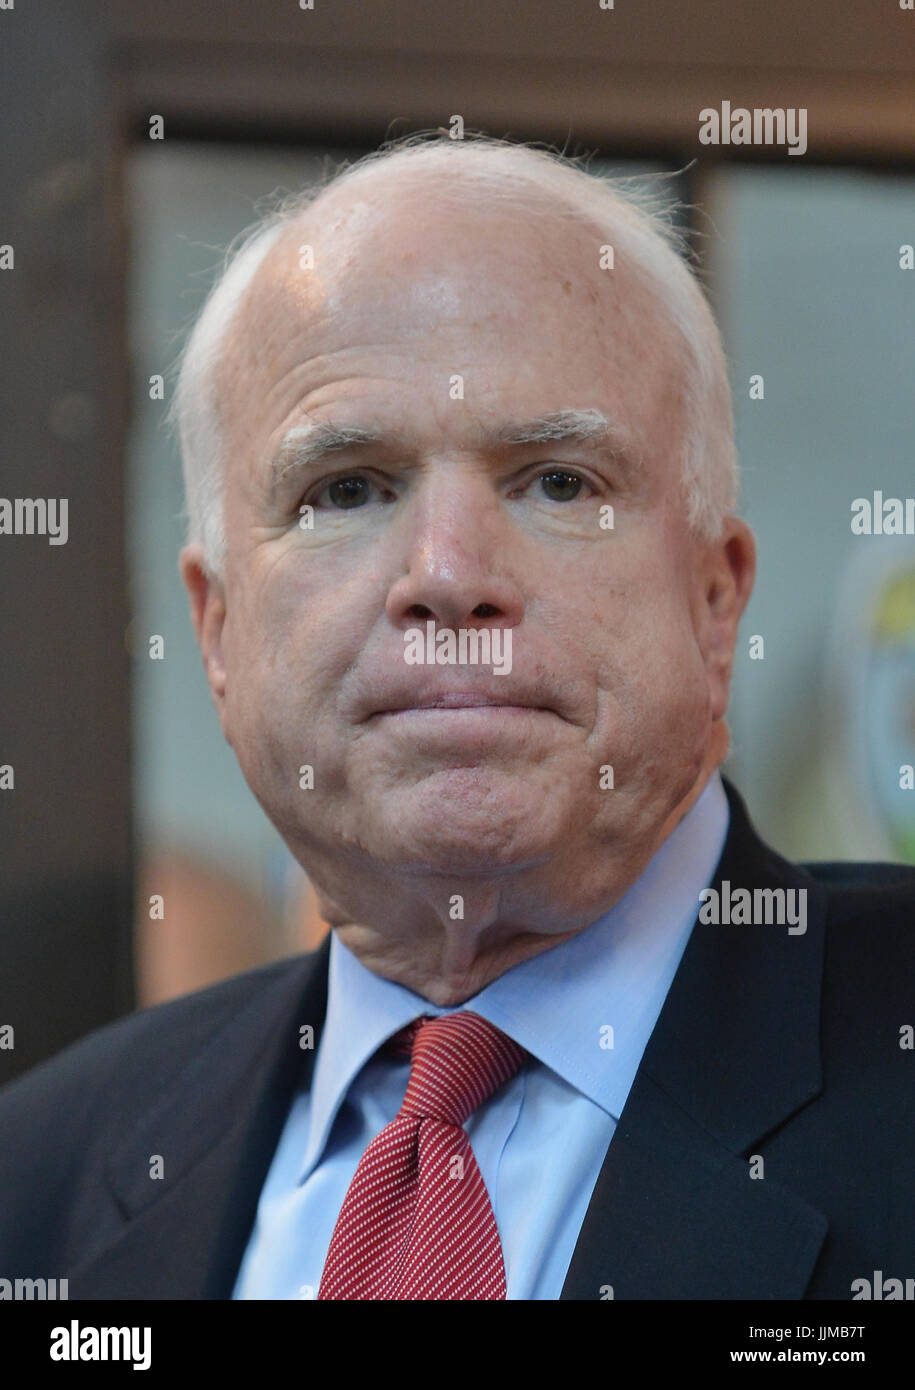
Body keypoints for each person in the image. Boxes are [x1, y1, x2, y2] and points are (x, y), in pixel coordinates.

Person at [1, 135, 912, 1301]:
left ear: (715, 599)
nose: (445, 573)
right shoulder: (39, 1186)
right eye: (347, 489)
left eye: (559, 481)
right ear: (218, 630)